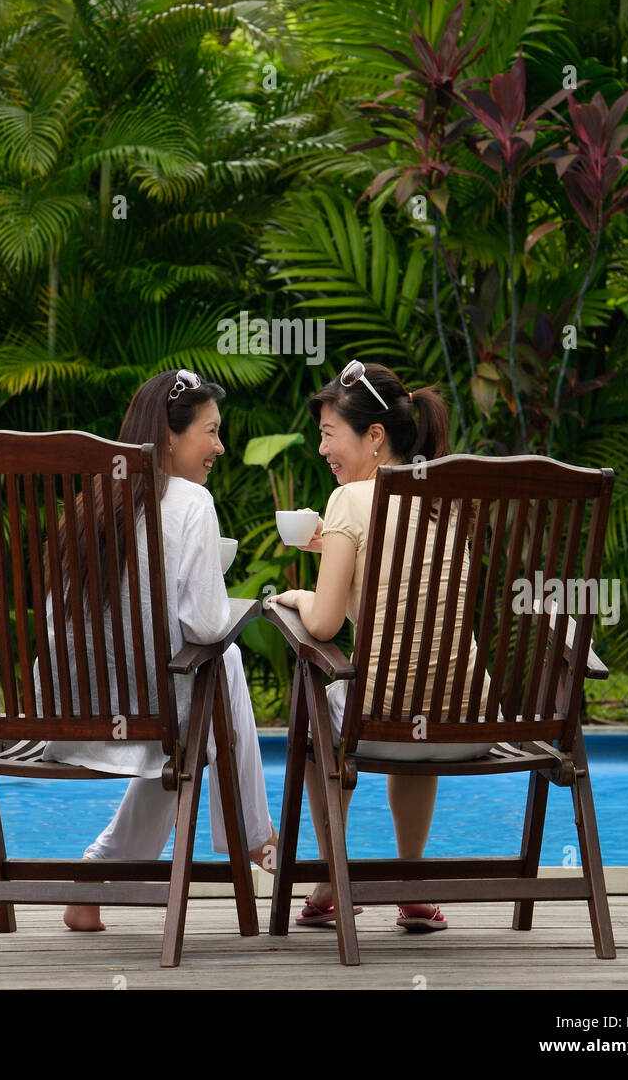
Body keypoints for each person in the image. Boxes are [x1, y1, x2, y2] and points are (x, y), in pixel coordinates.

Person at [33, 369, 276, 931]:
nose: (219, 446)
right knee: (222, 664)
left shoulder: (94, 501)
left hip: (70, 713)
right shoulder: (190, 502)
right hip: (149, 719)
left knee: (192, 720)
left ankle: (95, 880)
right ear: (170, 436)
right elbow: (209, 624)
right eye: (211, 431)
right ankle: (259, 840)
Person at [269, 360, 494, 933]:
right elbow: (405, 598)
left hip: (384, 720)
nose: (323, 450)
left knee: (326, 715)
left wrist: (295, 596)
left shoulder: (351, 501)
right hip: (466, 722)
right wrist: (340, 554)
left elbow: (323, 626)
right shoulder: (442, 498)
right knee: (416, 692)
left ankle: (329, 877)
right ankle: (412, 885)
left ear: (374, 437)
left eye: (328, 435)